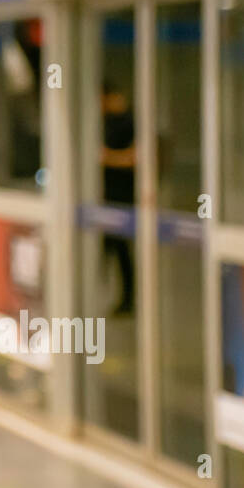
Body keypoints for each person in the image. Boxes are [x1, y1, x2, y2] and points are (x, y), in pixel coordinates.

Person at [100, 79, 136, 316]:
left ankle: (128, 300)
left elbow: (137, 157)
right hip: (107, 196)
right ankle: (110, 297)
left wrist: (106, 157)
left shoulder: (130, 122)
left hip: (124, 196)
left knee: (120, 250)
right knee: (108, 249)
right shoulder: (105, 123)